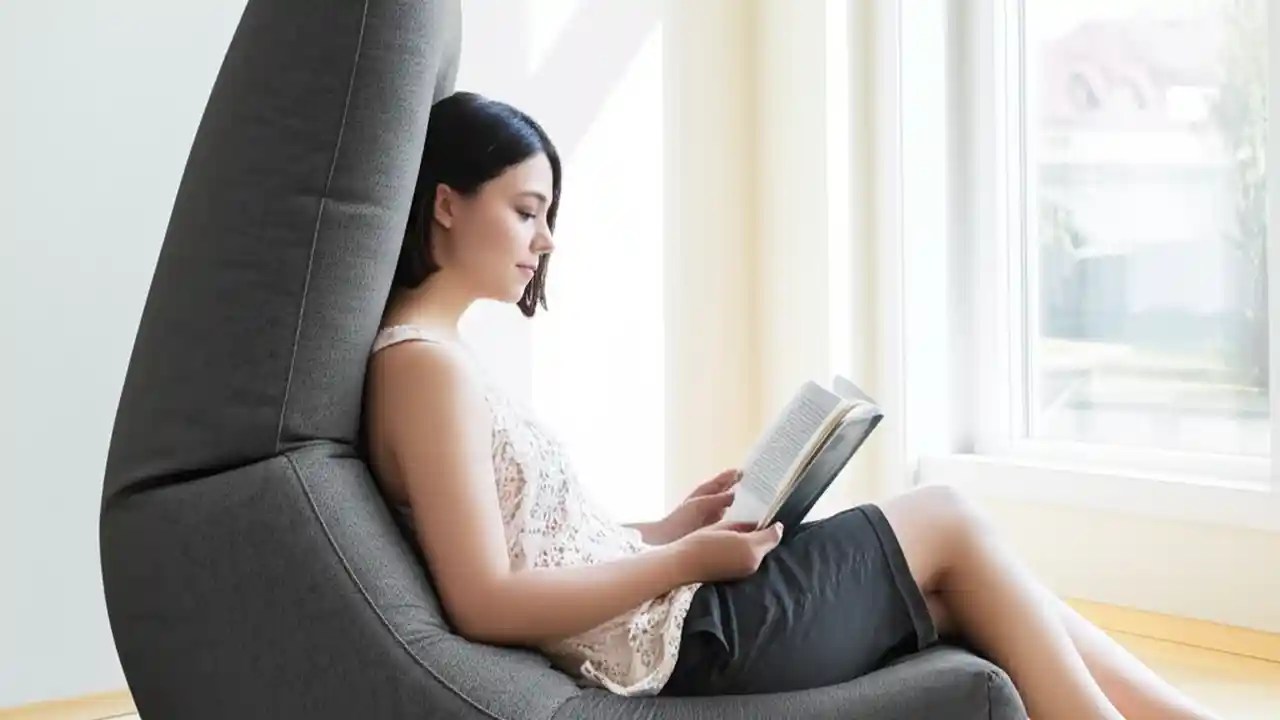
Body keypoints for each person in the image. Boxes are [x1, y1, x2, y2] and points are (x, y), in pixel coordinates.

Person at [360, 91, 1220, 720]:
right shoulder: (424, 371)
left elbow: (531, 542)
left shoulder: (440, 363)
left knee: (973, 588)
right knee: (949, 517)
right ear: (446, 204)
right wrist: (685, 562)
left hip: (674, 613)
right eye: (525, 211)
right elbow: (484, 599)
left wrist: (665, 528)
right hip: (683, 643)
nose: (545, 240)